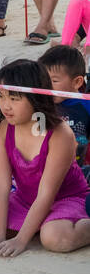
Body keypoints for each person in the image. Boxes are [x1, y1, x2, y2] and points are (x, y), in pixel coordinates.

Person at [0, 59, 90, 255]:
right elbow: (1, 184)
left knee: (55, 239)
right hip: (24, 199)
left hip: (66, 199)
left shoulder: (60, 133)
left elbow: (47, 193)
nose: (6, 106)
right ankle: (38, 225)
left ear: (37, 97)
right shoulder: (2, 129)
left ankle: (52, 226)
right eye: (1, 96)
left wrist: (20, 240)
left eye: (14, 98)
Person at [37, 45, 90, 183]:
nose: (46, 86)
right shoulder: (40, 105)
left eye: (54, 81)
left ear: (77, 82)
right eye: (43, 80)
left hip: (76, 172)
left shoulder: (86, 106)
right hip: (42, 171)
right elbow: (36, 138)